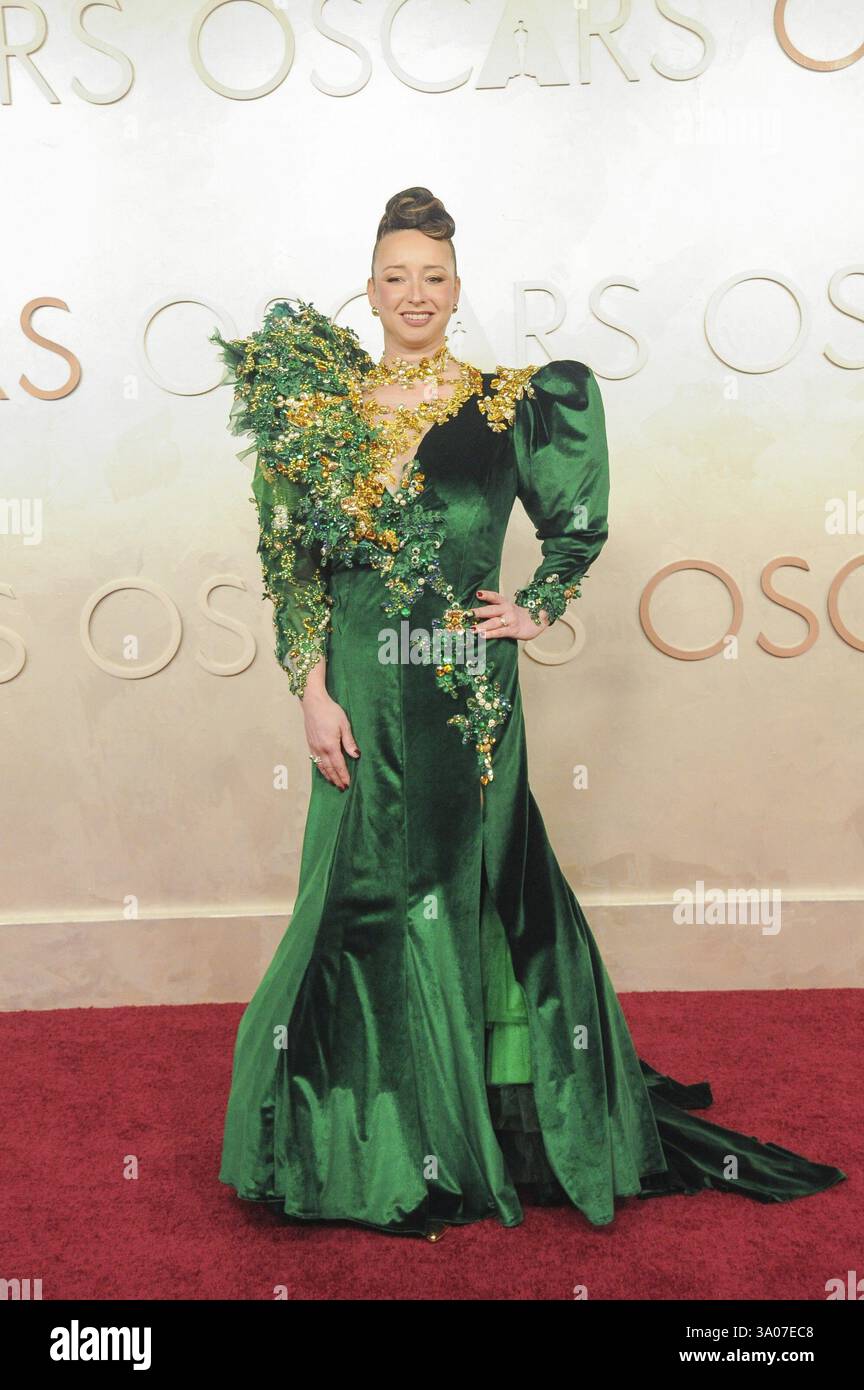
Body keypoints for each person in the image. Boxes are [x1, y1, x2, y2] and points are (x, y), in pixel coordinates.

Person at [210, 187, 846, 1242]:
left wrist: (539, 605)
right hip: (362, 691)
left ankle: (489, 1116)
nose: (416, 293)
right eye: (397, 276)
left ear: (458, 292)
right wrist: (311, 696)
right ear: (369, 291)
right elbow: (298, 571)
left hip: (467, 687)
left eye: (435, 277)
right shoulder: (320, 414)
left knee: (472, 886)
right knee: (358, 895)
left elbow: (576, 521)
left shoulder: (515, 402)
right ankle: (362, 1129)